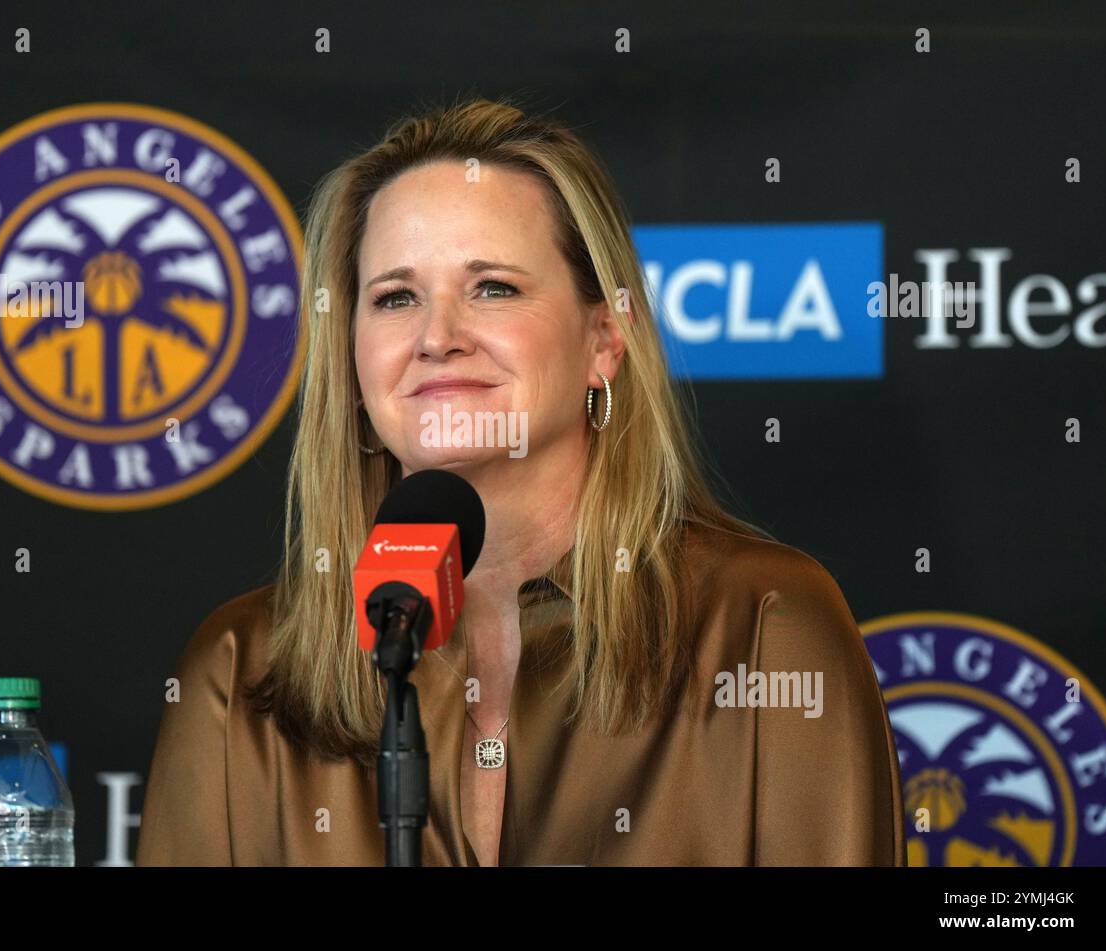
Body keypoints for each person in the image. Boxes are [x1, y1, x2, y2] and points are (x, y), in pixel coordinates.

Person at [136, 96, 905, 866]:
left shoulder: (766, 626)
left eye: (493, 287)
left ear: (606, 339)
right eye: (396, 298)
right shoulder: (242, 667)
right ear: (353, 357)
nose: (438, 337)